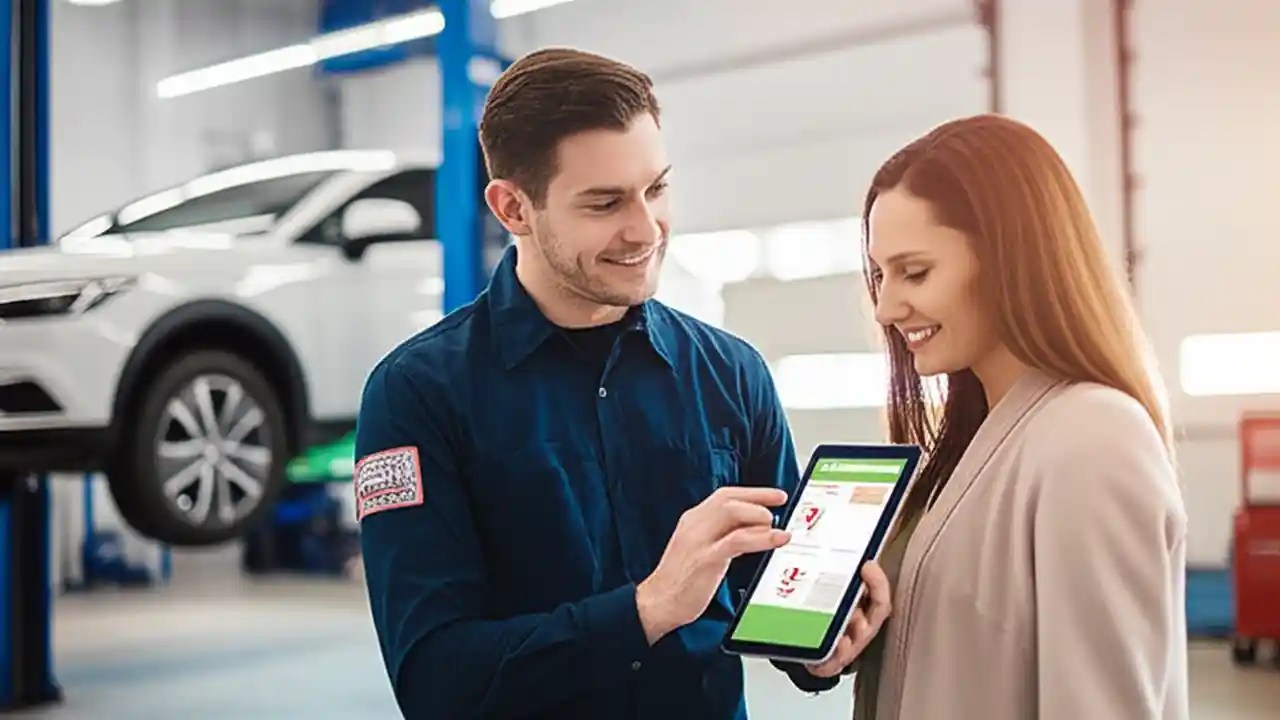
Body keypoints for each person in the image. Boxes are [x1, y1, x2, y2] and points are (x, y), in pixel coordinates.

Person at [353, 47, 888, 719]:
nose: (645, 229)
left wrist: (822, 645)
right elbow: (435, 682)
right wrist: (647, 610)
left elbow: (773, 590)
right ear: (513, 207)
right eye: (604, 203)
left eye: (656, 189)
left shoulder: (731, 374)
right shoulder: (416, 395)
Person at [845, 114, 1190, 719]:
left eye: (914, 272)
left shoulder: (1092, 439)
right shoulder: (976, 441)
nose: (886, 308)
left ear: (1011, 258)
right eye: (880, 275)